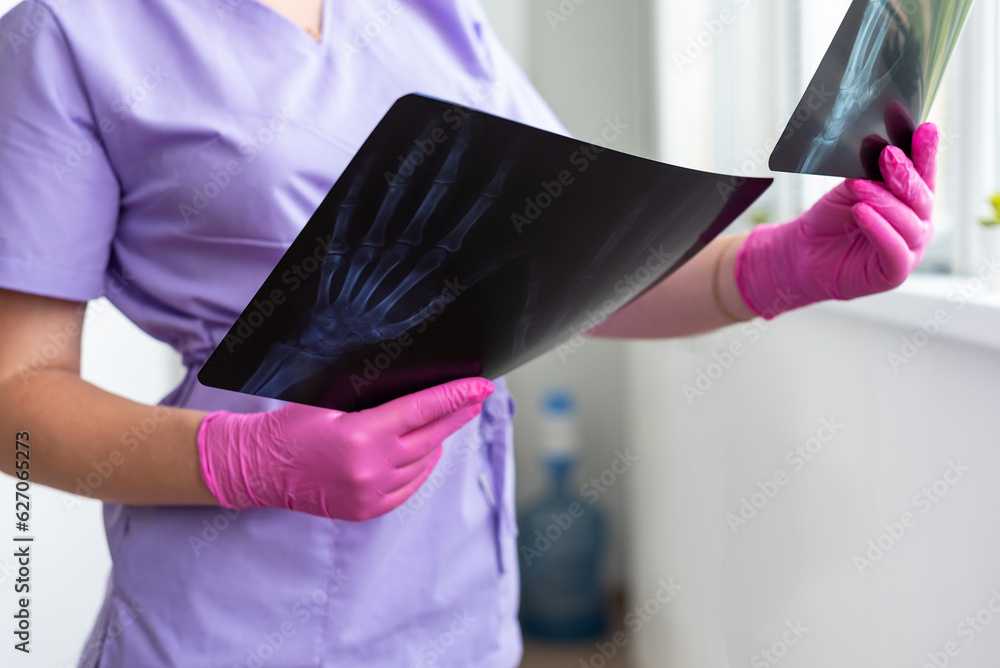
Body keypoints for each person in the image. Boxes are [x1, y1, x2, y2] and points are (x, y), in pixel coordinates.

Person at [0, 0, 937, 665]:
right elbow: (17, 410)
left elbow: (572, 271)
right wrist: (245, 458)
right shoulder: (71, 33)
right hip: (232, 618)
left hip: (459, 608)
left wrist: (779, 266)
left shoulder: (433, 17)